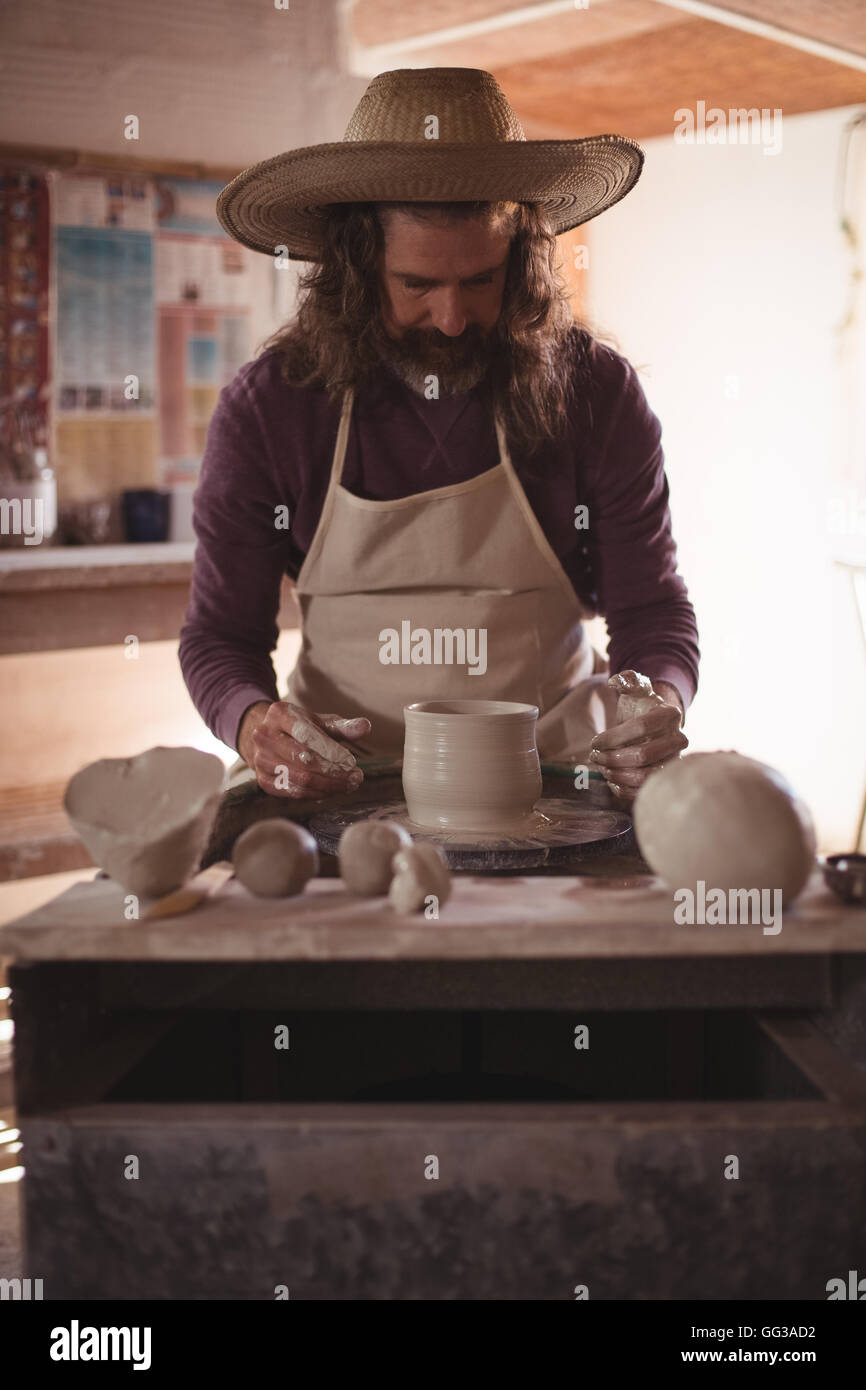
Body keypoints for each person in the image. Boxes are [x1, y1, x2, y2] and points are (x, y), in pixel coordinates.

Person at [180, 67, 698, 806]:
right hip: (342, 796)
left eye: (482, 280)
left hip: (551, 789)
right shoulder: (272, 408)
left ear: (523, 257)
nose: (453, 318)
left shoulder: (596, 396)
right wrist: (254, 722)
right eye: (418, 285)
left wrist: (661, 705)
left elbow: (653, 613)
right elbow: (219, 639)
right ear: (357, 267)